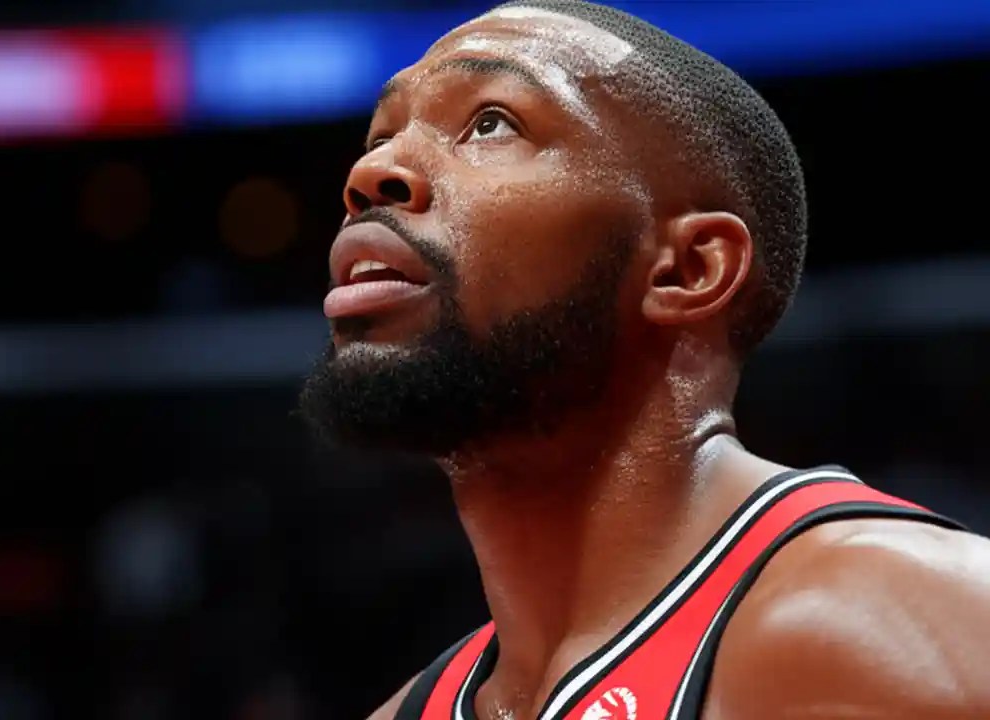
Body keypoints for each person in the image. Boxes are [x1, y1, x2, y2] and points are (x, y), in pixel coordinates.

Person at [295, 1, 990, 719]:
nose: (372, 171)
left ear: (688, 269)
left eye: (490, 123)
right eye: (380, 134)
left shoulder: (912, 624)